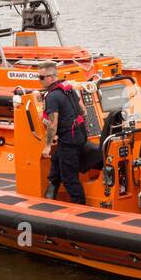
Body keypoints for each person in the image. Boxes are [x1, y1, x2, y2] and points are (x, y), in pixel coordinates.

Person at [39, 60, 87, 204]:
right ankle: (52, 186)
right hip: (81, 134)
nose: (39, 81)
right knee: (56, 158)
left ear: (50, 77)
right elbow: (83, 111)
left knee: (69, 179)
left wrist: (47, 145)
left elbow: (53, 125)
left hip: (69, 139)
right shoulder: (69, 88)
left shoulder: (52, 97)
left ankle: (81, 208)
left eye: (41, 77)